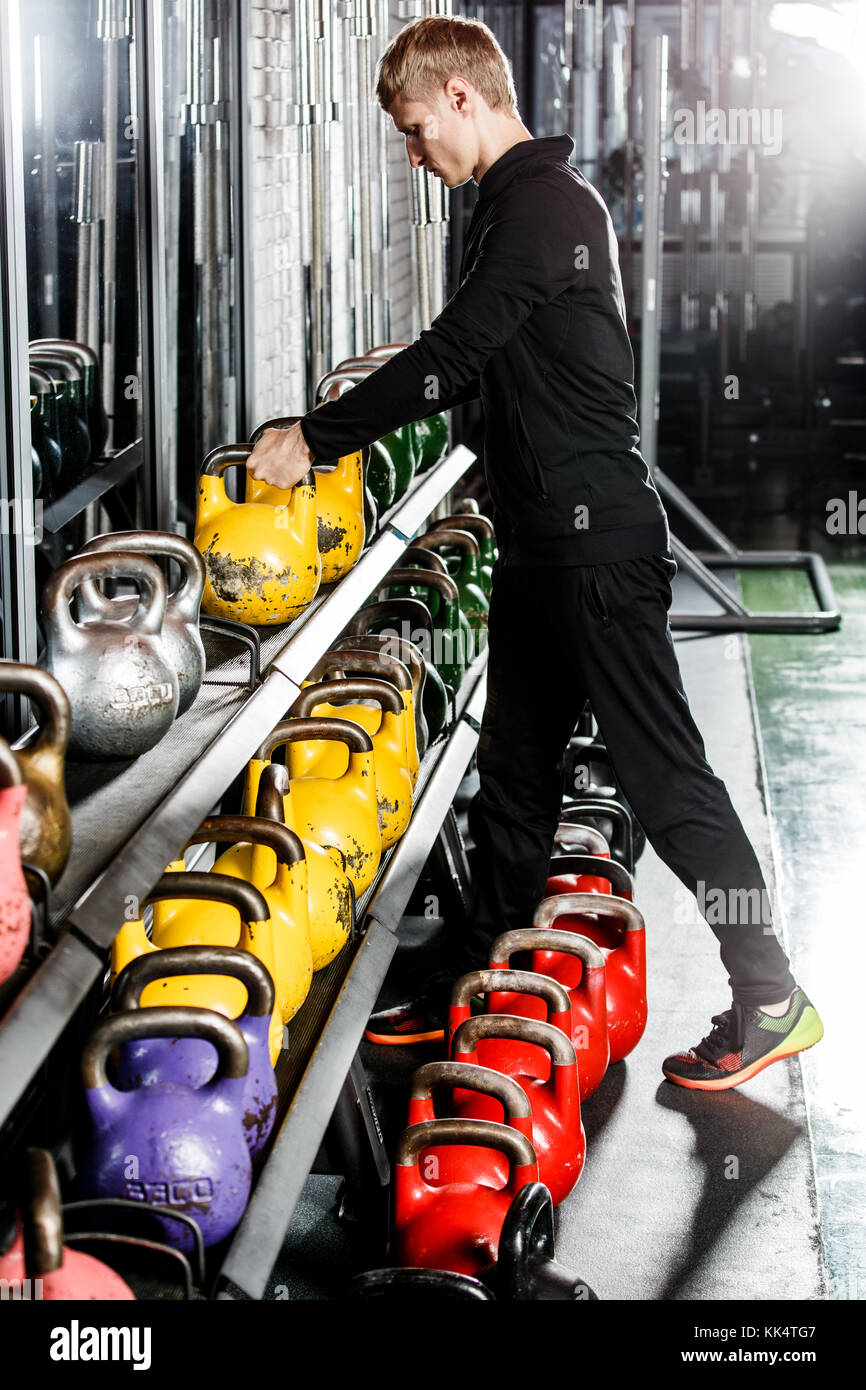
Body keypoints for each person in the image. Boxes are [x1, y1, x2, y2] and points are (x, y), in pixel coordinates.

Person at [245, 15, 823, 1090]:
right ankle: (475, 970)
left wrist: (310, 439)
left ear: (462, 96)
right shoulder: (501, 209)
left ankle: (770, 996)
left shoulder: (544, 207)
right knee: (510, 774)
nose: (414, 155)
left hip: (597, 548)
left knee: (665, 780)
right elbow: (477, 366)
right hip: (536, 543)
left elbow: (455, 352)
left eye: (417, 130)